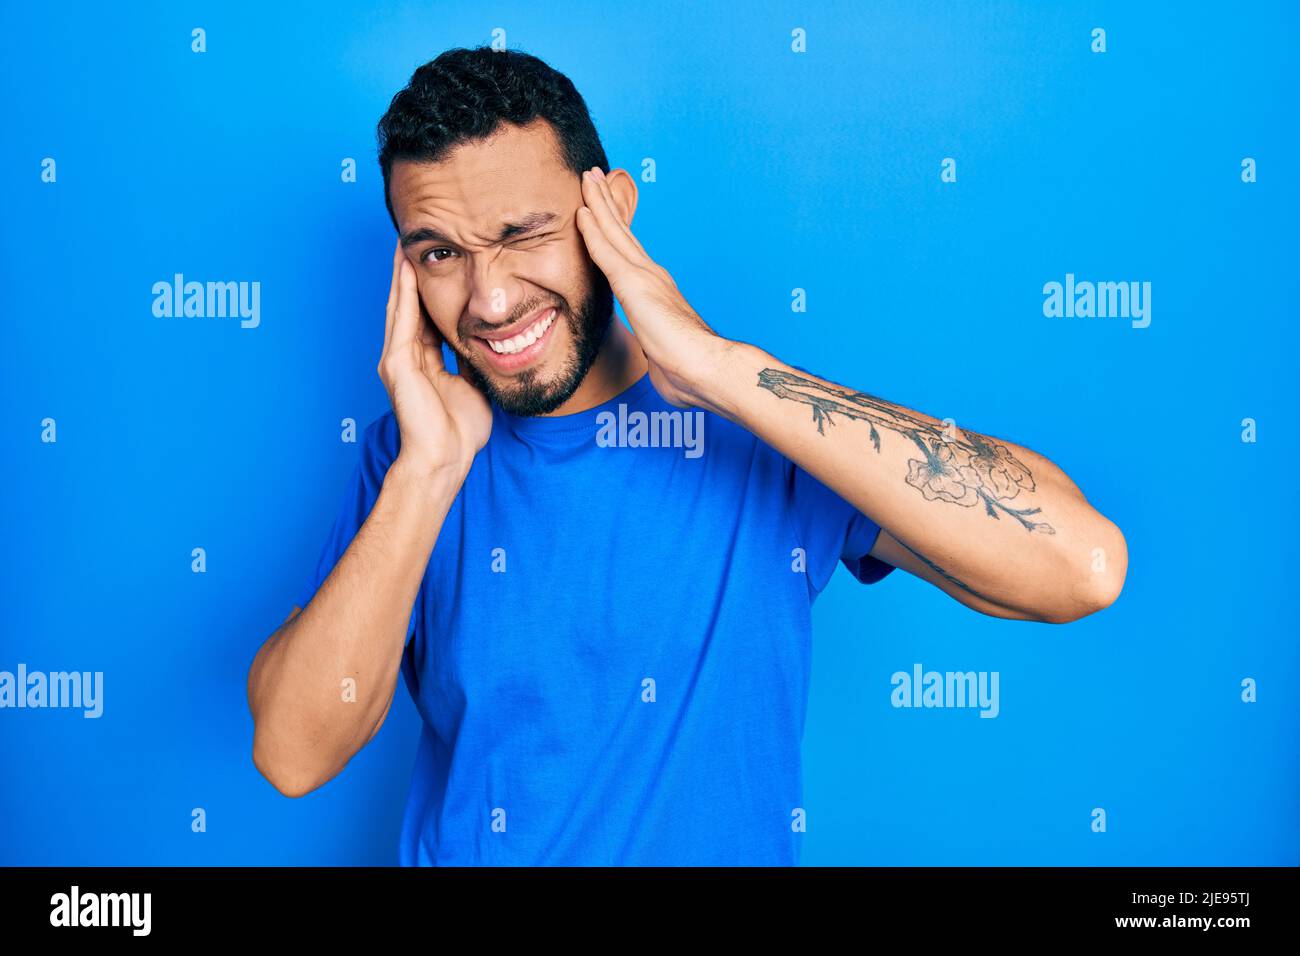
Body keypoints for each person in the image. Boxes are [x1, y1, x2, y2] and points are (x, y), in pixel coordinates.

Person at [246, 46, 1127, 865]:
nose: (492, 297)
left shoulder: (760, 431)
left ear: (613, 211)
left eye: (524, 234)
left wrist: (721, 371)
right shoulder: (415, 454)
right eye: (441, 253)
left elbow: (1080, 567)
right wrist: (430, 468)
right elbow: (292, 753)